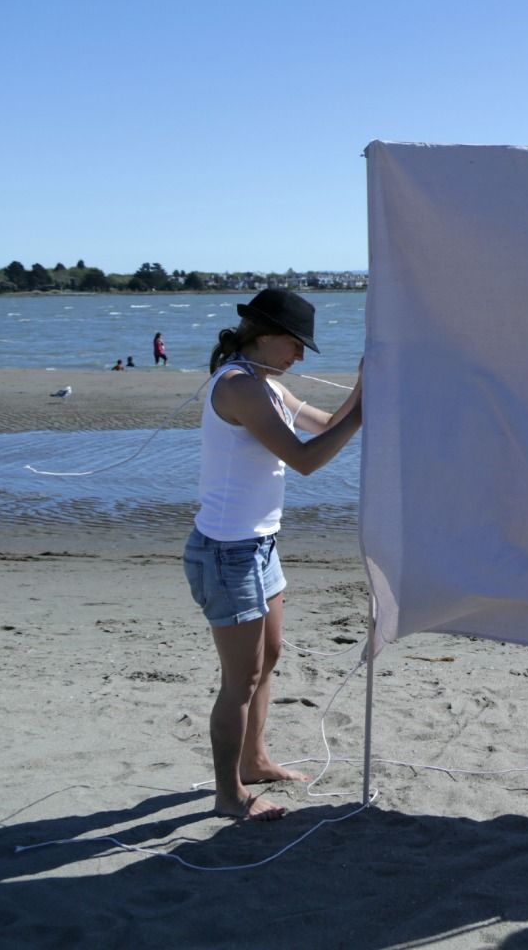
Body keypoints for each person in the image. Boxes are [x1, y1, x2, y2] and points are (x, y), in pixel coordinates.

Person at [182, 289, 363, 821]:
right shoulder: (239, 387)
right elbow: (306, 459)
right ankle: (229, 795)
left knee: (271, 657)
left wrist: (363, 389)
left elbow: (327, 425)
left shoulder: (267, 386)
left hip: (259, 545)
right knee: (239, 679)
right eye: (294, 343)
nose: (300, 356)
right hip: (225, 551)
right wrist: (361, 413)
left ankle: (255, 760)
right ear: (261, 334)